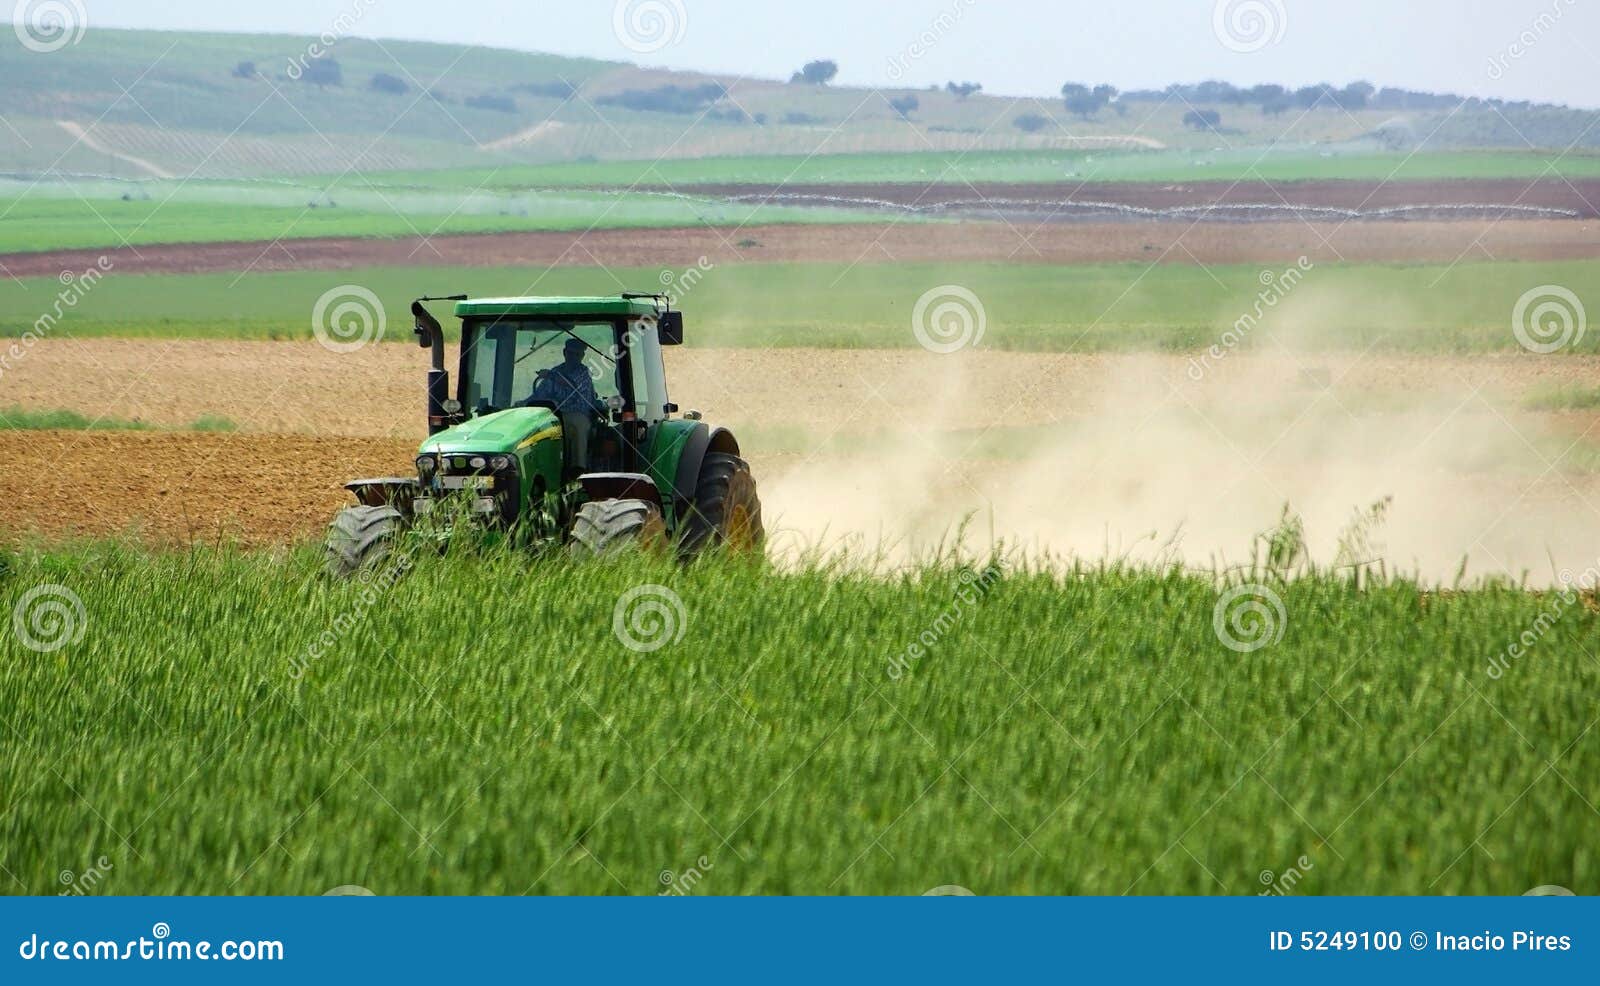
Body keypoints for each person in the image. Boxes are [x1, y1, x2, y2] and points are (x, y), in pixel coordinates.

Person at [525, 337, 604, 473]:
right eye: (570, 353)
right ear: (564, 353)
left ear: (582, 356)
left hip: (578, 414)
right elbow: (541, 393)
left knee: (578, 424)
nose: (573, 357)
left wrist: (551, 375)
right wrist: (523, 403)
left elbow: (573, 389)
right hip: (554, 415)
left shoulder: (583, 373)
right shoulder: (556, 371)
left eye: (577, 354)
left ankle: (578, 468)